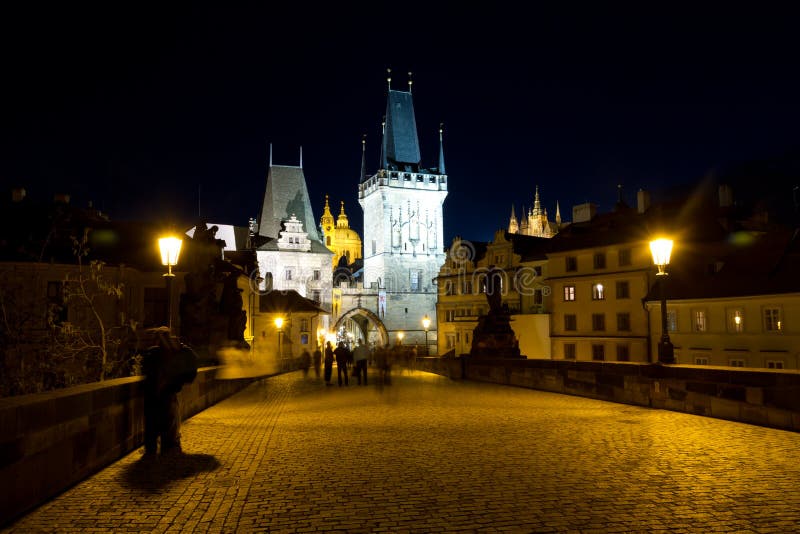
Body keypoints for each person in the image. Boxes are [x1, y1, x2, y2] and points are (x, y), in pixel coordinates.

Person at [142, 327, 198, 457]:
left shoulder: (166, 352)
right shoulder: (158, 353)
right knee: (160, 422)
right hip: (159, 392)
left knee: (163, 422)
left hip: (162, 392)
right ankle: (162, 447)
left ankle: (162, 447)